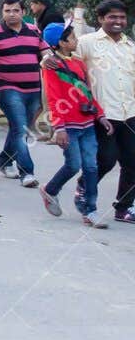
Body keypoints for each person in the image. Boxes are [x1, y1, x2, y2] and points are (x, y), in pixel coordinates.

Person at [38, 23, 114, 228]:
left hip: (88, 124)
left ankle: (90, 209)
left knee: (91, 166)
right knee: (73, 165)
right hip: (69, 126)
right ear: (61, 43)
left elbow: (88, 92)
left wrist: (101, 115)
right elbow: (54, 98)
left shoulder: (79, 64)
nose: (77, 40)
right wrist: (59, 127)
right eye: (72, 37)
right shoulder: (51, 67)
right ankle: (51, 190)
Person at [77, 0, 135, 223]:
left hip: (129, 112)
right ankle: (84, 188)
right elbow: (66, 67)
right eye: (112, 17)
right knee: (107, 160)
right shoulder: (87, 43)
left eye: (121, 17)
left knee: (133, 162)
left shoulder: (130, 47)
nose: (118, 21)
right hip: (102, 114)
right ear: (101, 19)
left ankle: (123, 207)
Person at [0, 0, 44, 187]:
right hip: (8, 88)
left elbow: (45, 52)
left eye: (15, 10)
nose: (11, 14)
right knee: (21, 128)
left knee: (18, 128)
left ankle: (4, 160)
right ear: (2, 12)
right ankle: (27, 172)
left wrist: (50, 58)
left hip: (33, 88)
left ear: (23, 12)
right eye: (7, 11)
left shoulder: (34, 31)